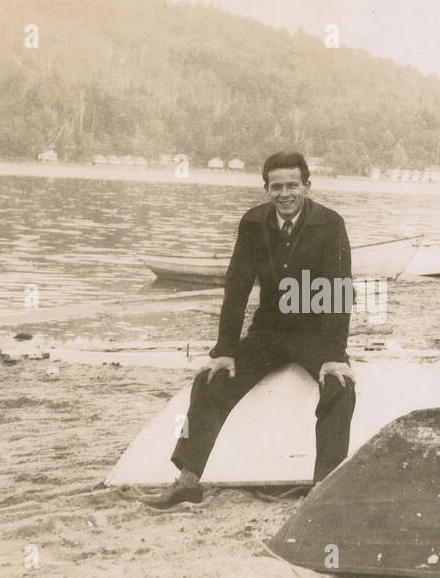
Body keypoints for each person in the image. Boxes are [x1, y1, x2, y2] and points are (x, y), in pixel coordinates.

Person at [146, 151, 357, 508]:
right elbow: (237, 286)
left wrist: (335, 356)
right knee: (210, 381)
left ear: (307, 186)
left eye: (293, 185)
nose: (285, 193)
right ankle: (188, 481)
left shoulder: (330, 223)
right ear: (266, 189)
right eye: (276, 187)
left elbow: (339, 288)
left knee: (340, 387)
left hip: (315, 333)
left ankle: (323, 488)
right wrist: (224, 349)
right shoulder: (253, 223)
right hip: (268, 332)